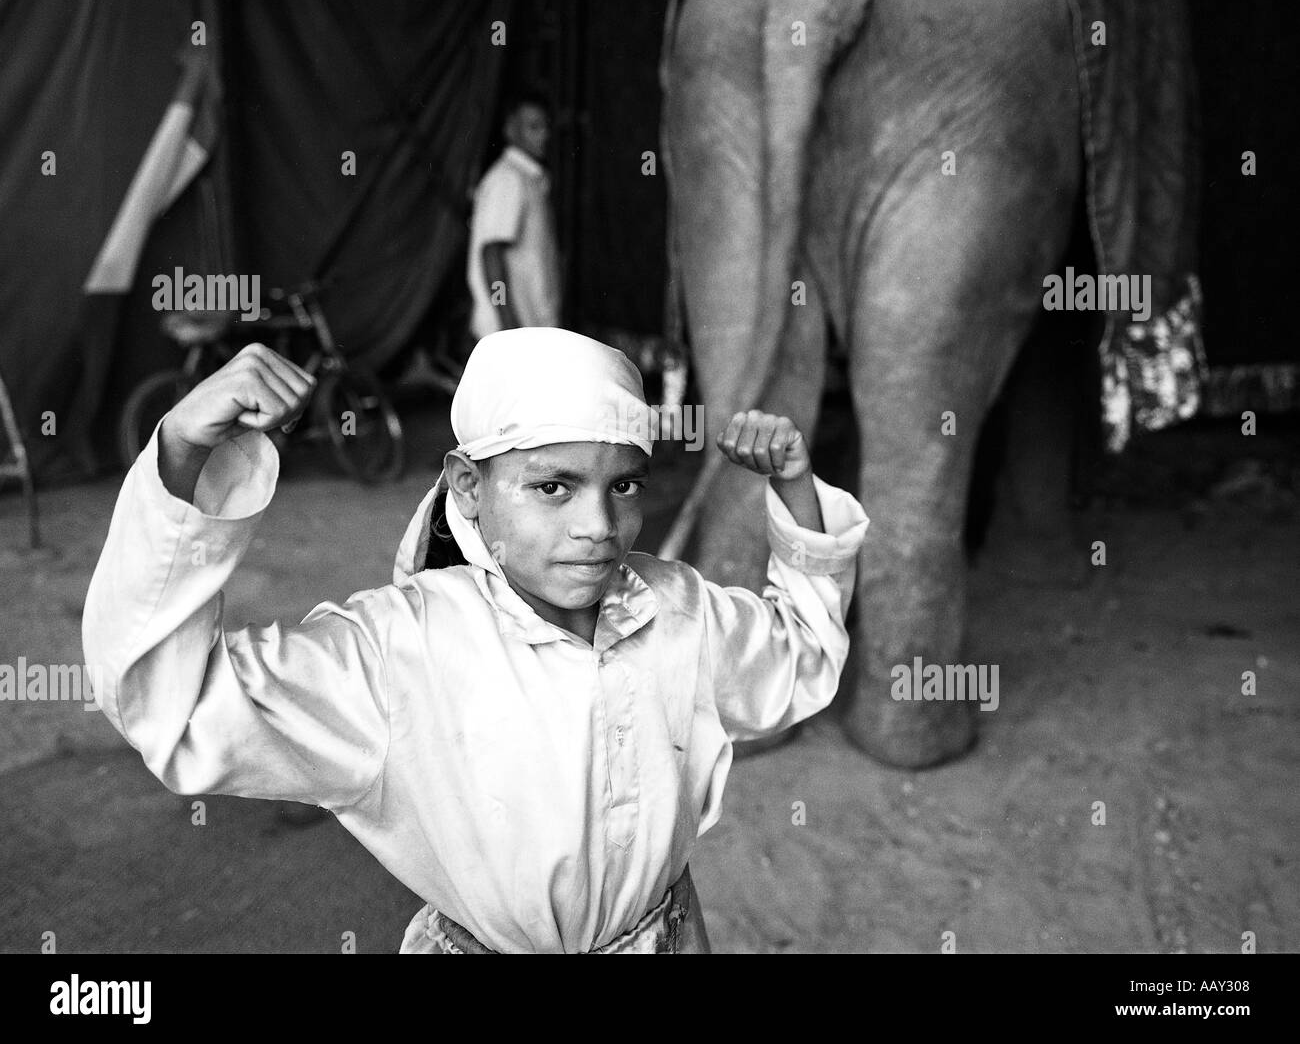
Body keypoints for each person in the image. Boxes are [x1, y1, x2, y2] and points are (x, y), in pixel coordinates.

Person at [82, 327, 869, 954]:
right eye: (552, 486)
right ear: (468, 485)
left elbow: (800, 652)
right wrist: (184, 455)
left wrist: (794, 484)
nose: (598, 527)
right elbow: (176, 706)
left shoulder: (676, 613)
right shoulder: (400, 651)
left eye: (622, 485)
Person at [466, 92, 563, 338]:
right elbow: (491, 253)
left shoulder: (529, 178)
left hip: (528, 331)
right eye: (533, 127)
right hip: (514, 333)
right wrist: (508, 327)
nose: (544, 135)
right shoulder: (509, 179)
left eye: (545, 126)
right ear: (511, 130)